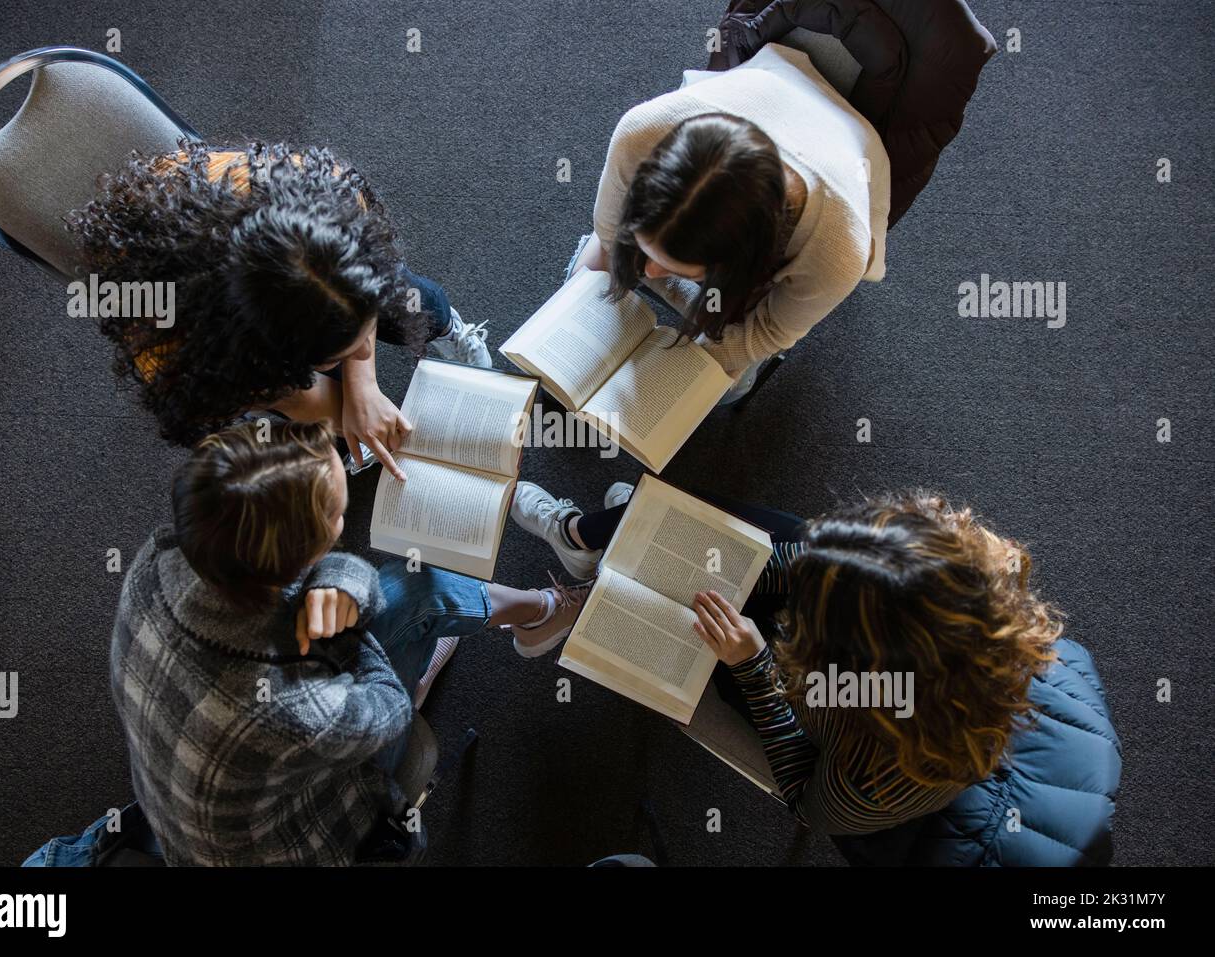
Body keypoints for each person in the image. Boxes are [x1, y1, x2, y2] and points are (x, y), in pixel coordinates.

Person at [109, 420, 587, 866]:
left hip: (196, 792)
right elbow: (387, 706)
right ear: (298, 564)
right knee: (421, 593)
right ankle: (541, 613)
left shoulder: (159, 557)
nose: (343, 527)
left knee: (411, 595)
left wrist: (338, 581)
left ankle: (532, 613)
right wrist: (348, 616)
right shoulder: (290, 708)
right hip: (309, 833)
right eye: (338, 519)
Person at [511, 482, 1063, 835]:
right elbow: (818, 563)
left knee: (705, 619)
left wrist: (754, 667)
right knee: (739, 536)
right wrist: (738, 564)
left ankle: (594, 588)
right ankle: (607, 542)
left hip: (792, 701)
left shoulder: (877, 778)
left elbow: (806, 800)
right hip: (846, 659)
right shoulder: (970, 571)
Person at [69, 140, 491, 478]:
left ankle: (447, 328)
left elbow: (358, 292)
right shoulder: (177, 357)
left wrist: (363, 384)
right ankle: (354, 435)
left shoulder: (324, 193)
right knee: (334, 418)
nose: (366, 350)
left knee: (408, 296)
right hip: (227, 340)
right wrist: (347, 412)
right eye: (345, 353)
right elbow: (293, 399)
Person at [569, 43, 891, 403]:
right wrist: (677, 288)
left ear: (741, 262)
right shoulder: (640, 134)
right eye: (647, 247)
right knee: (579, 285)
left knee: (724, 388)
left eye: (676, 268)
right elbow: (610, 232)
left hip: (842, 154)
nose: (649, 271)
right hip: (767, 83)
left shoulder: (836, 253)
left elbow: (768, 331)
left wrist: (680, 367)